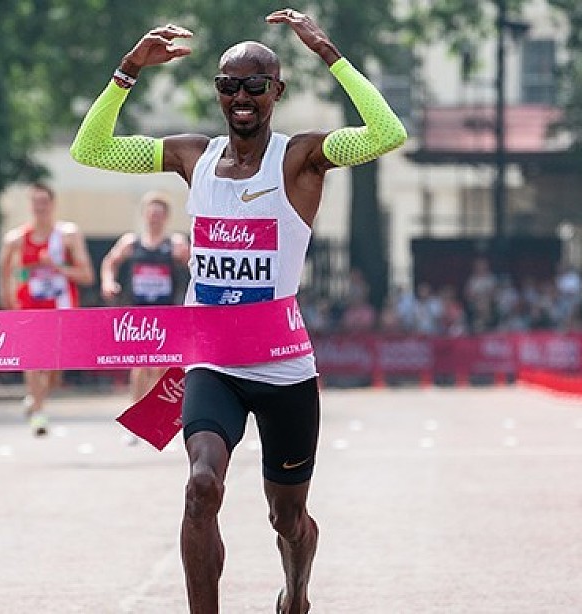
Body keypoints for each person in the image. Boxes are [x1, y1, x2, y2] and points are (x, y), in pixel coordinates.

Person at [70, 8, 406, 613]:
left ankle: (296, 591)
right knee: (201, 487)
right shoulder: (191, 156)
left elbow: (387, 134)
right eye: (229, 85)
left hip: (282, 369)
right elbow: (89, 149)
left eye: (256, 85)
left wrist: (327, 50)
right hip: (213, 361)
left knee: (288, 517)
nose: (242, 96)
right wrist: (127, 70)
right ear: (218, 94)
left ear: (277, 92)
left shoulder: (301, 157)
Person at [0, 182, 95, 436]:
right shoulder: (16, 239)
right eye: (36, 202)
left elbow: (86, 276)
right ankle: (39, 414)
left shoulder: (68, 235)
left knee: (54, 368)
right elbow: (5, 274)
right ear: (30, 206)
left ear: (53, 204)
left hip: (61, 308)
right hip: (29, 308)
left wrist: (56, 266)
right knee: (32, 360)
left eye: (45, 202)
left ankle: (35, 399)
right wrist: (9, 303)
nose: (40, 207)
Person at [100, 191, 190, 403]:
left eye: (159, 214)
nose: (154, 218)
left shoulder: (175, 243)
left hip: (167, 312)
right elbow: (110, 262)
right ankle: (136, 408)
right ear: (144, 215)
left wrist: (187, 257)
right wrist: (108, 282)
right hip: (138, 312)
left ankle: (152, 413)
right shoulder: (131, 243)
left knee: (161, 365)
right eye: (151, 213)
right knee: (140, 363)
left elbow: (197, 267)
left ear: (166, 217)